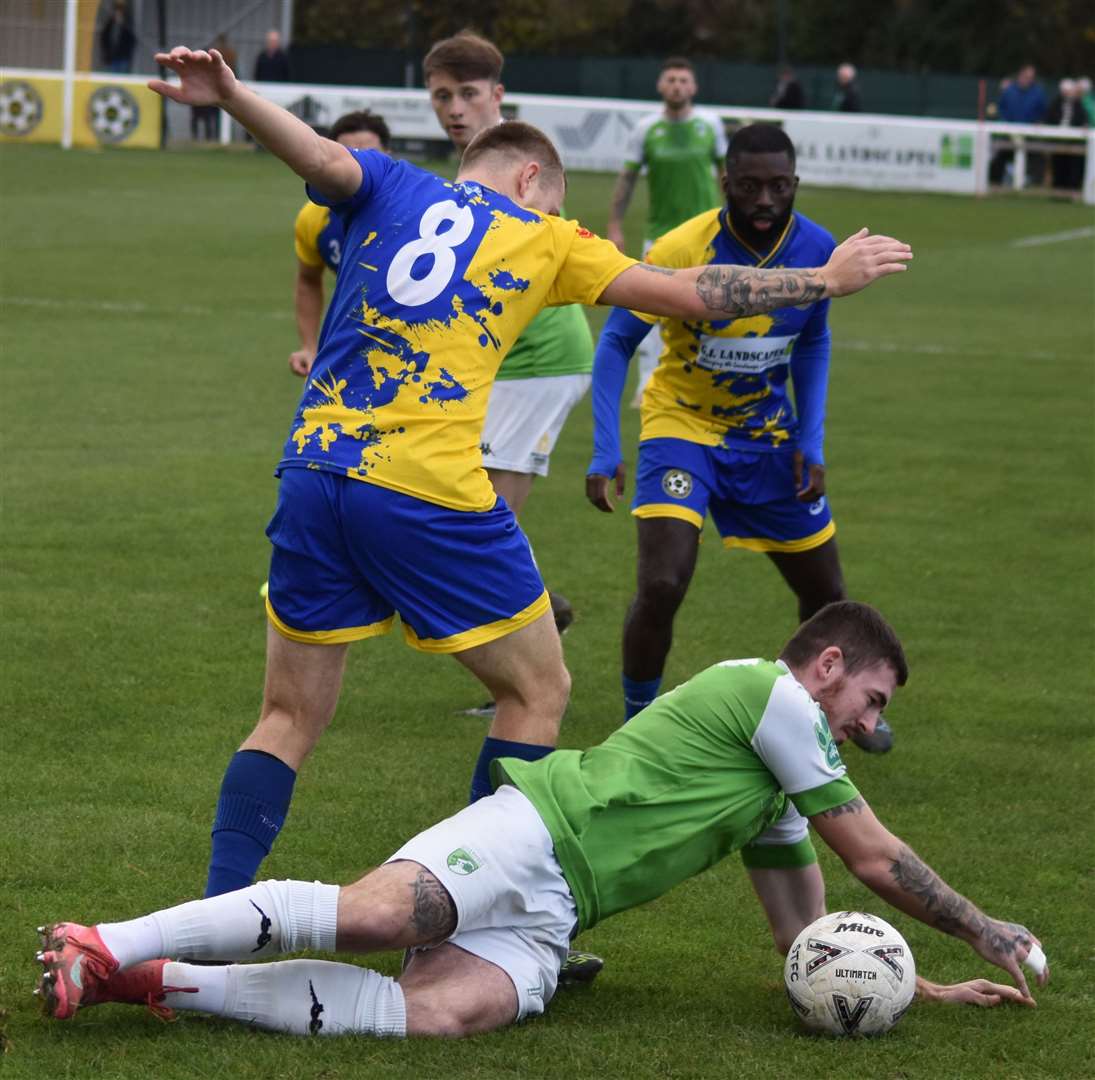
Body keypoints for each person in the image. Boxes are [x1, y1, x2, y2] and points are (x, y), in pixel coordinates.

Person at [143, 46, 909, 957]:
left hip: (312, 467)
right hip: (424, 484)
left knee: (287, 717)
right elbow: (687, 294)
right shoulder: (548, 237)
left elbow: (314, 155)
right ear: (532, 176)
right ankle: (469, 923)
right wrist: (822, 280)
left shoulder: (392, 183)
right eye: (554, 200)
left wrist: (229, 93)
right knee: (538, 689)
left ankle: (210, 924)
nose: (557, 216)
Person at [36, 602, 1047, 1036]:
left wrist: (919, 988)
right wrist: (986, 927)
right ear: (827, 667)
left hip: (558, 917)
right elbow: (873, 858)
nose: (869, 726)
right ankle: (103, 941)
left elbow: (807, 941)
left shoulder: (779, 786)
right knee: (378, 918)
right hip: (532, 833)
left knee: (438, 1015)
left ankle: (159, 981)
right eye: (871, 700)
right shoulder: (771, 697)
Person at [586, 124, 889, 753]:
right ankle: (636, 721)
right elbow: (617, 340)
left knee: (826, 594)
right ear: (725, 182)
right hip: (681, 427)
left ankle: (822, 714)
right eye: (749, 185)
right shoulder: (680, 246)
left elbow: (813, 341)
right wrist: (605, 446)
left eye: (779, 186)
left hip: (768, 438)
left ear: (795, 184)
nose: (764, 199)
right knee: (663, 582)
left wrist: (813, 440)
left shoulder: (818, 249)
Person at [423, 32, 594, 641]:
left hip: (542, 363)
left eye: (467, 94)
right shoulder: (469, 169)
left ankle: (521, 684)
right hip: (502, 368)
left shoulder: (523, 169)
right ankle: (542, 610)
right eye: (442, 96)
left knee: (483, 527)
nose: (454, 108)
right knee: (459, 513)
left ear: (497, 94)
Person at [606, 57, 728, 406]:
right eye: (671, 80)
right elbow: (627, 180)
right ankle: (648, 382)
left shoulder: (710, 125)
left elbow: (727, 179)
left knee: (710, 304)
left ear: (694, 87)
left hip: (708, 234)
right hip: (660, 235)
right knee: (650, 306)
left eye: (683, 80)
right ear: (661, 86)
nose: (677, 86)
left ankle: (703, 378)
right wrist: (615, 224)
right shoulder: (646, 129)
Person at [289, 111, 392, 378]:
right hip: (355, 343)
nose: (360, 163)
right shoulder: (314, 218)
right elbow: (308, 280)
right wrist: (310, 347)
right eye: (349, 153)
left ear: (389, 157)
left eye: (370, 154)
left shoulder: (419, 211)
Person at [989, 65, 1048, 186]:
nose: (1028, 79)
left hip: (1031, 133)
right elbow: (1001, 108)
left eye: (1031, 77)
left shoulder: (1038, 93)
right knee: (999, 157)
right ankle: (995, 183)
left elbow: (1043, 112)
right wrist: (1005, 123)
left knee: (1038, 158)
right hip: (1009, 132)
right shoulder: (1009, 90)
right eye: (1026, 76)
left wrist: (1038, 121)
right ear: (1020, 75)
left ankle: (1035, 185)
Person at [1045, 79, 1088, 191]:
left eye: (1069, 91)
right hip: (1057, 141)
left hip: (1074, 142)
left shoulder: (1078, 104)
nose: (1068, 93)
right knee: (1058, 166)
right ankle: (1057, 191)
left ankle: (1072, 190)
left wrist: (1084, 125)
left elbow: (1083, 119)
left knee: (1073, 166)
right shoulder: (1055, 103)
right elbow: (1049, 119)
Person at [99, 1, 136, 75]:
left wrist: (127, 55)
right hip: (111, 58)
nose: (117, 15)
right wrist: (106, 53)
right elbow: (104, 38)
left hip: (122, 59)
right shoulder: (110, 24)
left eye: (120, 12)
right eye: (116, 12)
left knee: (121, 77)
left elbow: (131, 40)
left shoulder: (127, 25)